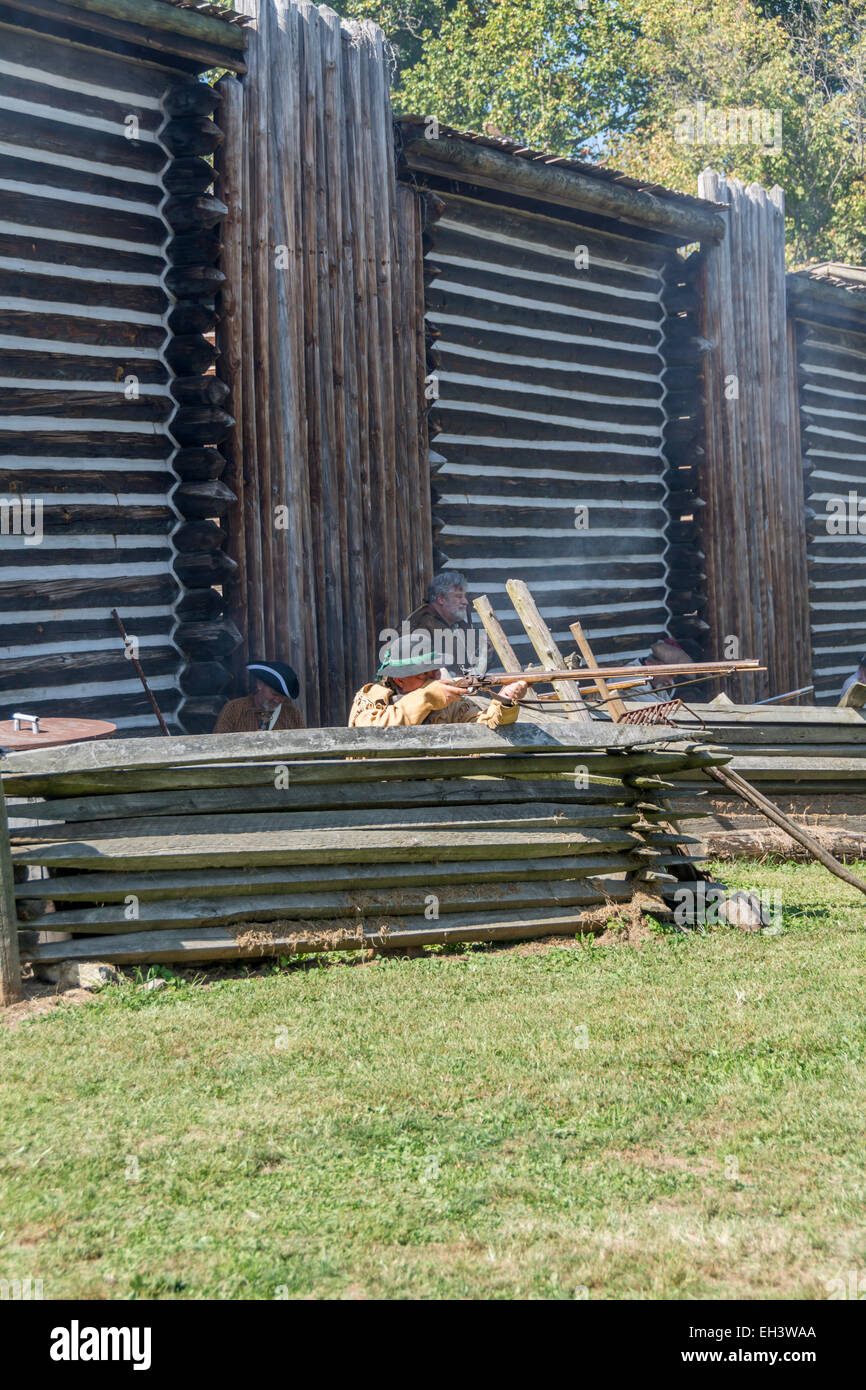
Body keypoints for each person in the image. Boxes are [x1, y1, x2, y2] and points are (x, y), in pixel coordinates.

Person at [348, 636, 526, 728]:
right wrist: (426, 697)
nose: (434, 679)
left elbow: (487, 727)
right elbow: (372, 734)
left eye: (434, 672)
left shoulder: (449, 702)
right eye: (423, 675)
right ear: (399, 680)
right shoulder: (372, 697)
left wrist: (505, 700)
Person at [403, 570, 487, 676]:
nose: (465, 602)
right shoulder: (421, 624)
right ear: (441, 599)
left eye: (464, 596)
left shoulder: (457, 622)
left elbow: (471, 661)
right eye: (458, 596)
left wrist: (486, 651)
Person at [214, 660, 304, 732]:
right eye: (275, 694)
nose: (278, 700)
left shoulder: (293, 715)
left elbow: (305, 752)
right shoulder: (233, 709)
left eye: (283, 697)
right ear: (260, 684)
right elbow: (217, 747)